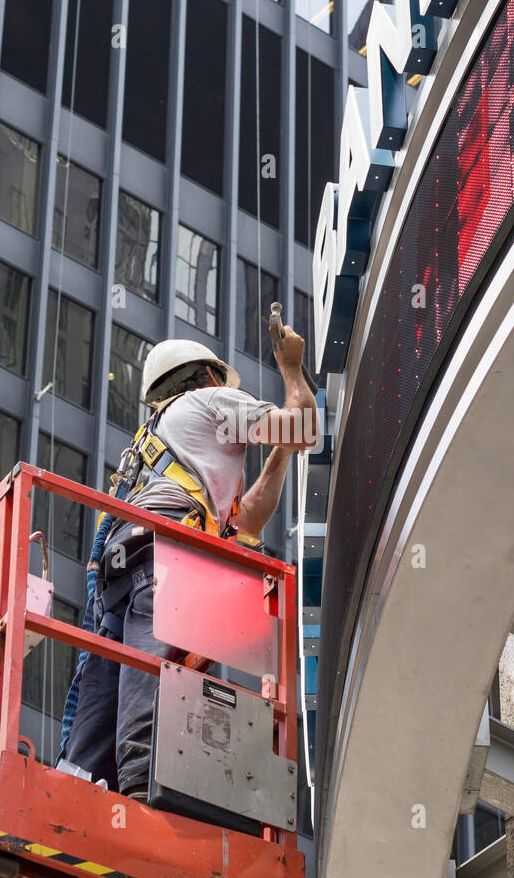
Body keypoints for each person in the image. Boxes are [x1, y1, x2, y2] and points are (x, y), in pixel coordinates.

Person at [56, 327, 318, 801]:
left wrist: (279, 455)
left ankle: (76, 794)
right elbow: (303, 427)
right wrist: (292, 369)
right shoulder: (209, 402)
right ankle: (140, 792)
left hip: (125, 564)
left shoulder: (164, 443)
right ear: (210, 376)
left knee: (106, 683)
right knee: (153, 673)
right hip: (165, 554)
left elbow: (249, 516)